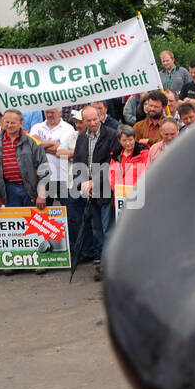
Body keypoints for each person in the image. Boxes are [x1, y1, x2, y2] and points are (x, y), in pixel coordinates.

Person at [72, 105, 121, 279]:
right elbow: (78, 161)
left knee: (108, 228)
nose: (92, 123)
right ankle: (103, 261)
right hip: (89, 191)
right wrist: (83, 184)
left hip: (106, 189)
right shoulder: (81, 138)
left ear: (101, 116)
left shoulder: (112, 135)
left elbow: (113, 163)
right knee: (96, 229)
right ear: (83, 121)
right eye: (88, 120)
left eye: (95, 119)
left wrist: (95, 181)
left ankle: (109, 266)